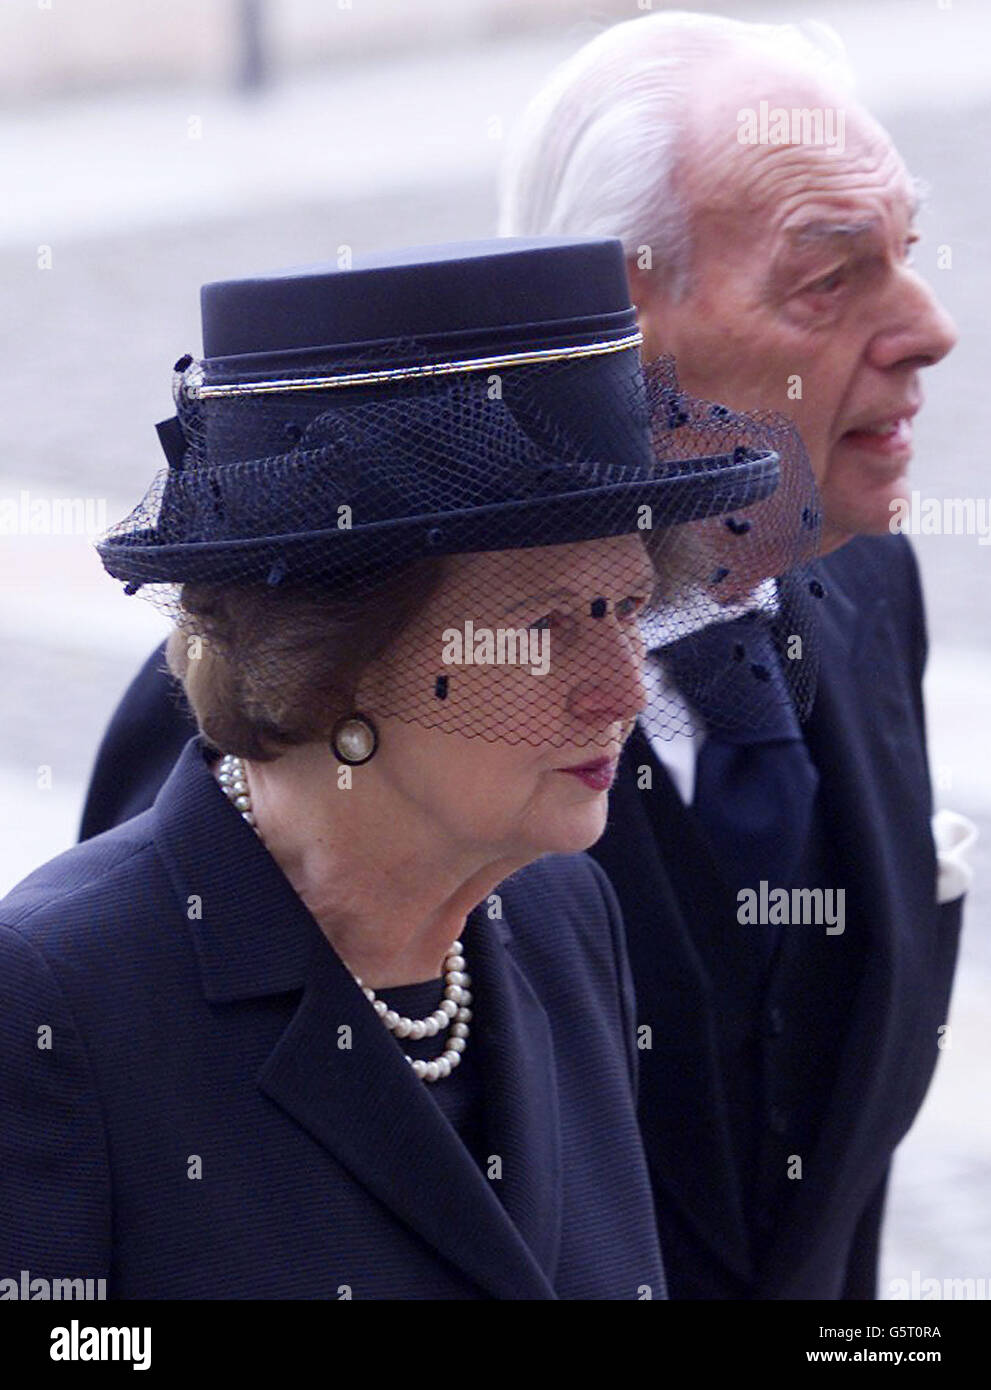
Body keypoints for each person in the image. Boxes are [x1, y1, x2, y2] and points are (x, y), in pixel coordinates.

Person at [0, 237, 811, 1299]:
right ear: (330, 667)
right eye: (544, 627)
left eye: (622, 607)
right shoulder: (67, 996)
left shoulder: (565, 920)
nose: (622, 689)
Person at [498, 13, 974, 1299]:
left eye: (906, 258)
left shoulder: (868, 585)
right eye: (831, 281)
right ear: (616, 327)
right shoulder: (364, 682)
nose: (927, 329)